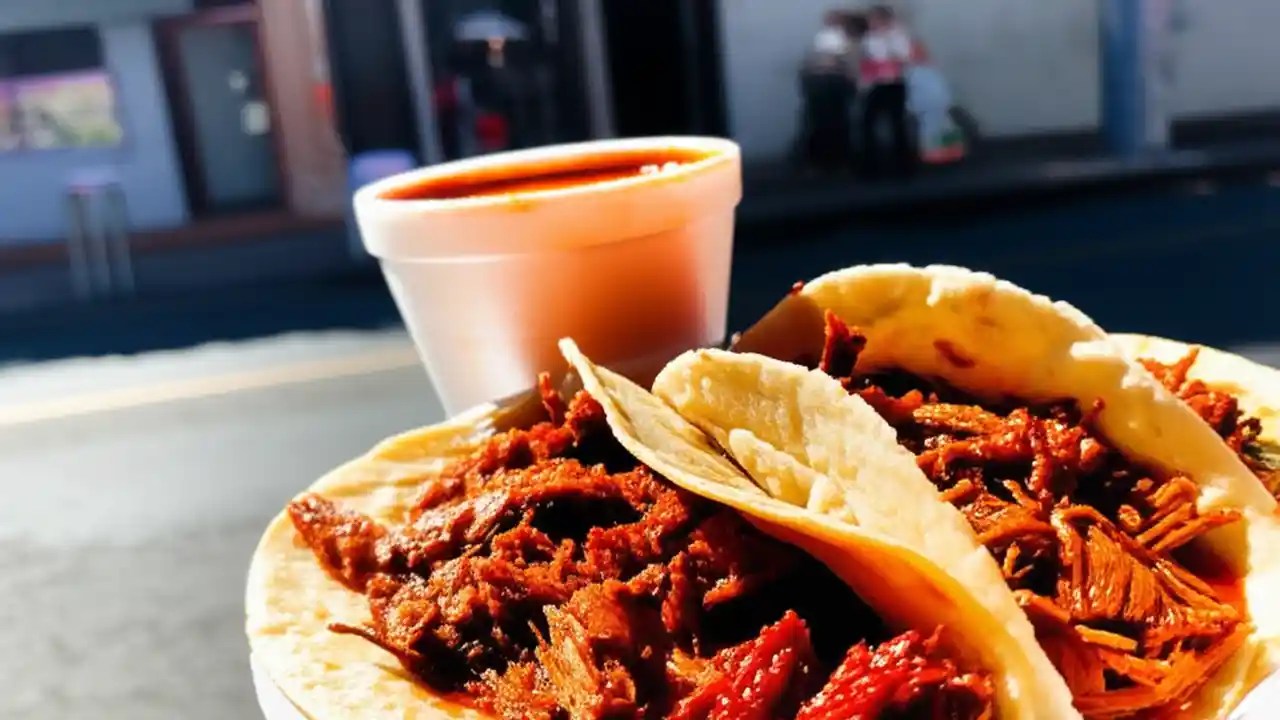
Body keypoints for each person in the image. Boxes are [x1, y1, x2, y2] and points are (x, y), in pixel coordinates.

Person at [858, 5, 915, 179]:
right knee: (867, 122)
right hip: (875, 84)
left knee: (896, 123)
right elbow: (866, 61)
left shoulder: (898, 35)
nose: (871, 22)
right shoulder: (868, 38)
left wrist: (888, 43)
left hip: (893, 83)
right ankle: (871, 166)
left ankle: (903, 166)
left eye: (874, 19)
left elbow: (905, 58)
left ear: (884, 19)